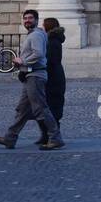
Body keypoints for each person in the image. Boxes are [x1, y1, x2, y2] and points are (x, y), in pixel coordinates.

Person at [0, 9, 64, 151]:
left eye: (30, 18)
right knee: (23, 110)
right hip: (30, 75)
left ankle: (56, 138)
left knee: (40, 108)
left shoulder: (36, 35)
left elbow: (38, 54)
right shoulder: (36, 34)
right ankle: (10, 138)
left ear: (37, 20)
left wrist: (22, 61)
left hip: (35, 75)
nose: (27, 20)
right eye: (25, 18)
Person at [34, 17, 67, 145]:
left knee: (52, 106)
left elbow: (49, 61)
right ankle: (46, 135)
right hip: (55, 75)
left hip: (52, 77)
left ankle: (52, 135)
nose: (42, 27)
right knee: (49, 106)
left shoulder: (52, 42)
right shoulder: (53, 40)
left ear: (48, 26)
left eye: (43, 25)